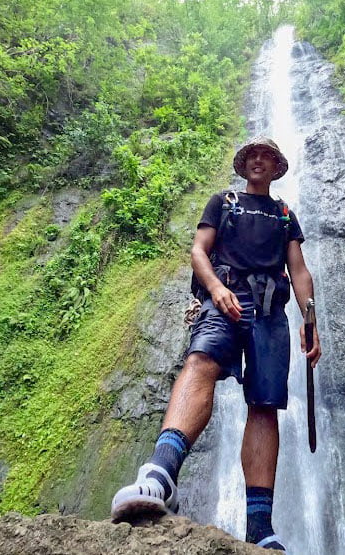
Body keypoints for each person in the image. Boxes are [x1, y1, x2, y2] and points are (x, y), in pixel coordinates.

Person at [111, 137, 321, 552]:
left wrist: (310, 321)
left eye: (268, 156)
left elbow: (299, 272)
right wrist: (213, 288)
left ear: (276, 167)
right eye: (253, 156)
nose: (259, 160)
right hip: (224, 299)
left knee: (265, 404)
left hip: (269, 312)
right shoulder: (221, 202)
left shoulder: (284, 215)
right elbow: (198, 251)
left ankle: (260, 526)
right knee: (201, 361)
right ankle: (160, 473)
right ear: (243, 166)